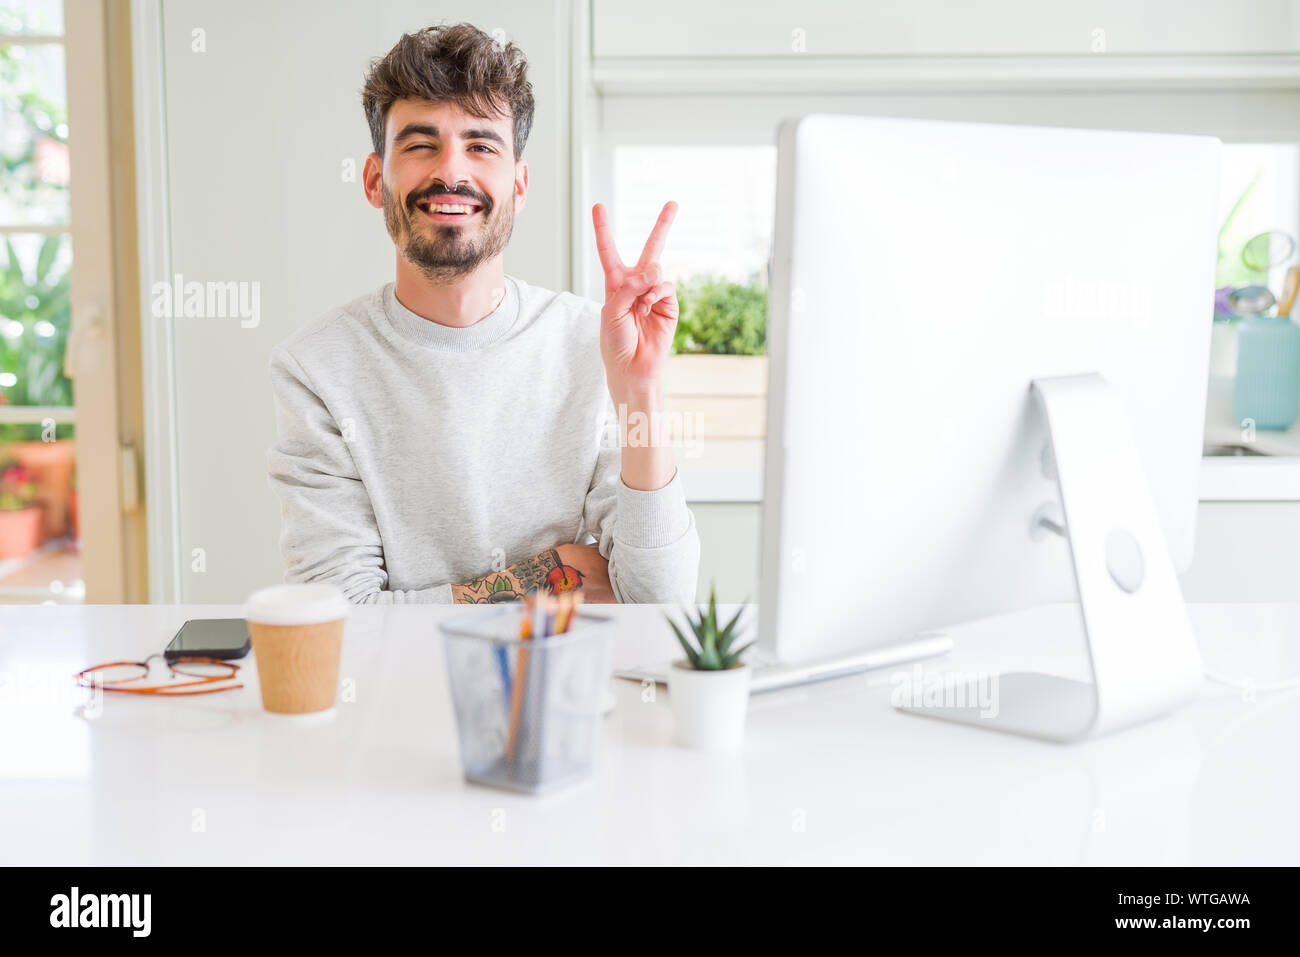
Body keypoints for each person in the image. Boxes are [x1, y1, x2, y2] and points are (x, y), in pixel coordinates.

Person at [266, 22, 700, 605]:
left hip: (556, 688)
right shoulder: (315, 368)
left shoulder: (587, 342)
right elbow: (343, 620)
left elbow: (658, 600)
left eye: (481, 145)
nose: (452, 171)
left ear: (518, 185)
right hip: (397, 694)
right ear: (375, 180)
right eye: (421, 144)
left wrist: (640, 389)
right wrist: (548, 576)